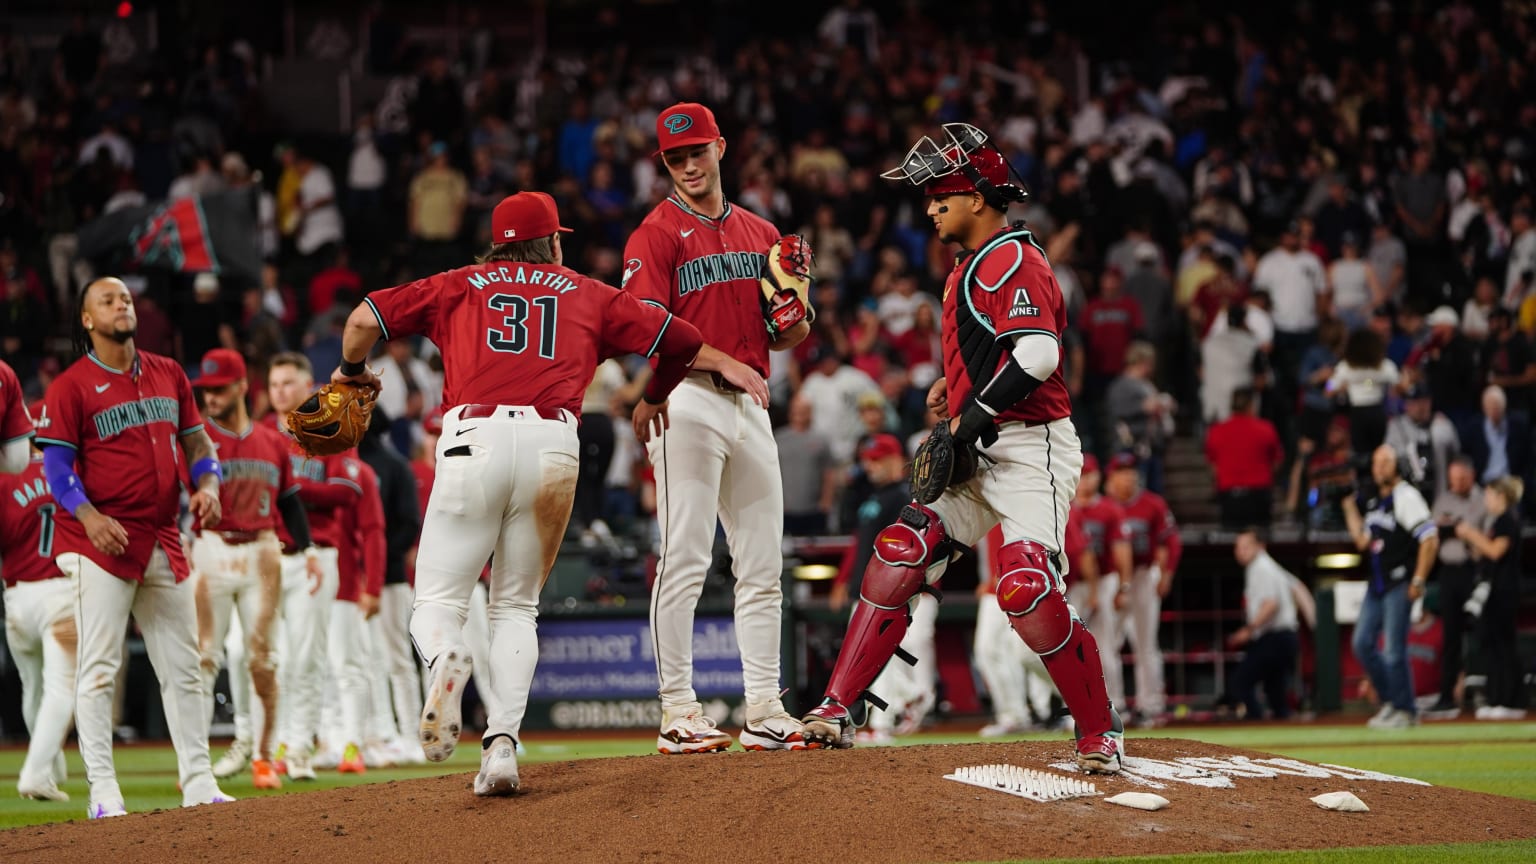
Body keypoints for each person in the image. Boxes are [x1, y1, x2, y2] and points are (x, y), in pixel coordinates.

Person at [331, 190, 745, 795]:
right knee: (516, 606)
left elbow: (364, 318)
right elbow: (680, 338)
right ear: (553, 241)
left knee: (437, 603)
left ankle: (446, 657)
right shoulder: (587, 291)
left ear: (499, 241)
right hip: (555, 444)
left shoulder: (459, 283)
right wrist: (655, 393)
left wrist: (349, 372)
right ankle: (501, 747)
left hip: (474, 435)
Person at [800, 123, 1123, 774]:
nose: (928, 208)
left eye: (938, 195)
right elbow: (999, 355)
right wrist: (954, 395)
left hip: (1032, 446)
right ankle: (836, 709)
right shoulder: (968, 267)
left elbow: (1039, 354)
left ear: (977, 197)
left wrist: (969, 414)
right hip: (981, 441)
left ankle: (1099, 733)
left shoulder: (1011, 257)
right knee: (902, 550)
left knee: (1026, 589)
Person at [621, 103, 812, 754]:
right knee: (686, 558)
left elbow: (787, 334)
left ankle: (764, 707)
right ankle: (678, 711)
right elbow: (647, 328)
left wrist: (796, 317)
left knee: (763, 565)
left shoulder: (763, 232)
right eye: (675, 158)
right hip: (687, 398)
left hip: (749, 401)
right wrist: (725, 357)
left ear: (721, 148)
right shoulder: (655, 234)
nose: (688, 166)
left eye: (696, 151)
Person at [35, 276, 233, 817]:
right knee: (99, 668)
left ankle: (198, 782)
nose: (121, 304)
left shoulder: (167, 372)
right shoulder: (71, 385)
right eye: (107, 300)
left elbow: (196, 439)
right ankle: (103, 792)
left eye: (125, 298)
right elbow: (56, 466)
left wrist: (208, 484)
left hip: (163, 536)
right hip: (99, 540)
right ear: (87, 320)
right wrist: (88, 515)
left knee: (185, 667)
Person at [189, 348, 317, 791]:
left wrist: (308, 549)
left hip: (262, 550)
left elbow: (289, 501)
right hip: (211, 547)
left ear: (243, 386)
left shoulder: (271, 440)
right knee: (204, 657)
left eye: (220, 389)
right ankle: (196, 765)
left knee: (263, 659)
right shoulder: (196, 438)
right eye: (207, 390)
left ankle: (265, 756)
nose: (211, 398)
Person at [263, 352, 361, 781]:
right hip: (265, 555)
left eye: (288, 383)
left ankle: (300, 746)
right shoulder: (260, 434)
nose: (280, 391)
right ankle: (274, 742)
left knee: (307, 657)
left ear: (308, 386)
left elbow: (348, 489)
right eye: (273, 384)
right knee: (271, 659)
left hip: (315, 555)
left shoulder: (329, 426)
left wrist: (289, 491)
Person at [832, 433, 932, 743]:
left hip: (885, 592)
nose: (870, 465)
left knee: (873, 655)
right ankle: (910, 694)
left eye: (877, 459)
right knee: (866, 657)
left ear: (894, 459)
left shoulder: (904, 497)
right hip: (864, 591)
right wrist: (842, 580)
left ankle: (883, 723)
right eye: (867, 460)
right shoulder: (873, 498)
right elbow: (858, 544)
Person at [1342, 444, 1439, 729]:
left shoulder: (1406, 496)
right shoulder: (1375, 501)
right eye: (1376, 462)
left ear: (1397, 465)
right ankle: (1392, 702)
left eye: (1385, 461)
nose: (1379, 467)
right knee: (1361, 644)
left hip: (1399, 580)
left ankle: (1406, 710)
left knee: (1394, 650)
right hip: (1378, 583)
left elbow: (1430, 538)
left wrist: (1419, 579)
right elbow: (1362, 541)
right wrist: (1349, 507)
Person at [2, 453, 74, 801]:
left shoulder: (4, 477)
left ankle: (52, 765)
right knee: (61, 687)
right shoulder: (68, 467)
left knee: (33, 686)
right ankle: (36, 773)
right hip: (60, 591)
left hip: (17, 597)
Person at [356, 409, 425, 764]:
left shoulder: (393, 465)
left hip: (391, 579)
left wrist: (375, 563)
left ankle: (412, 735)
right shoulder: (339, 462)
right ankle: (374, 735)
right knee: (362, 662)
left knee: (396, 658)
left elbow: (409, 522)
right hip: (352, 581)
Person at [1103, 451, 1181, 726]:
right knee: (1108, 643)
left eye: (1131, 471)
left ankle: (1151, 705)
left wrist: (1167, 573)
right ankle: (1114, 705)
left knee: (1145, 643)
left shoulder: (1152, 503)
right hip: (1112, 578)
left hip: (1144, 575)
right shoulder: (1104, 506)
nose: (1129, 476)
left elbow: (1171, 541)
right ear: (1111, 477)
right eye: (1122, 471)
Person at [1455, 475, 1526, 719]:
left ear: (1501, 496)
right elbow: (1486, 553)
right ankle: (1497, 698)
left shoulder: (1507, 519)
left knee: (1504, 645)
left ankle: (1512, 701)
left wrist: (1471, 533)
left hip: (1504, 591)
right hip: (1493, 591)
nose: (1486, 499)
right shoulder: (1495, 521)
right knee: (1494, 645)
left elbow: (1496, 551)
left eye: (1488, 494)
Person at [1068, 454, 1133, 713]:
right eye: (1081, 474)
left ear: (1098, 477)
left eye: (1089, 475)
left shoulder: (1109, 509)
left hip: (1104, 580)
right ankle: (1080, 707)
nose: (1084, 481)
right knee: (1071, 650)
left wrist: (1123, 586)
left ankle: (1116, 705)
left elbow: (1122, 550)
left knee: (1105, 647)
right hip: (1074, 583)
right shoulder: (1064, 505)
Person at [1426, 457, 1484, 718]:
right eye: (1454, 478)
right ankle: (1447, 697)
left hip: (1474, 571)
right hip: (1448, 572)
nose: (1457, 483)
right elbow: (1434, 529)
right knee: (1450, 637)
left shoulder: (1482, 498)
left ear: (1471, 476)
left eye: (1462, 478)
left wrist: (1461, 530)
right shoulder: (1443, 500)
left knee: (1480, 634)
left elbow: (1482, 535)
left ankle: (1484, 692)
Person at [1227, 528, 1300, 720]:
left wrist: (1248, 630)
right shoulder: (1267, 566)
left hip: (1276, 636)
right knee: (1275, 691)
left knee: (1240, 681)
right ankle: (1282, 731)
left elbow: (1271, 604)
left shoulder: (1261, 567)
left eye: (1246, 546)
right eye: (1238, 547)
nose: (1240, 551)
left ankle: (1255, 721)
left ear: (1260, 546)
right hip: (1283, 636)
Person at [1204, 387, 1283, 528]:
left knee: (1231, 542)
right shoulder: (1266, 429)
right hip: (1259, 495)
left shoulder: (1216, 431)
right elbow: (1276, 462)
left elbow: (1213, 467)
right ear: (1251, 405)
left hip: (1229, 496)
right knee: (1260, 540)